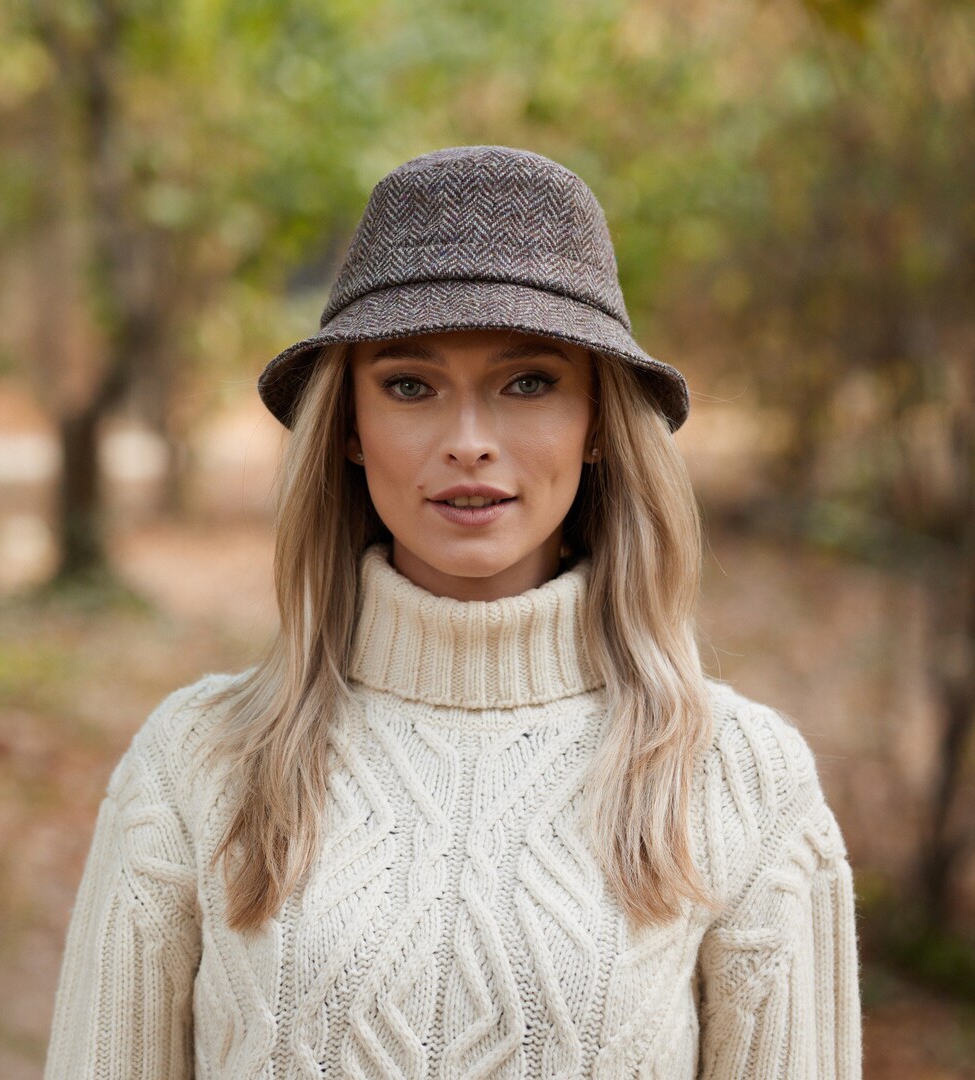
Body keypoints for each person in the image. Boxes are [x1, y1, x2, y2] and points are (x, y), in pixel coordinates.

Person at [44, 146, 862, 1079]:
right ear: (349, 427)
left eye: (528, 383)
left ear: (597, 422)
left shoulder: (740, 779)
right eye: (409, 386)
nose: (468, 444)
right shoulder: (197, 762)